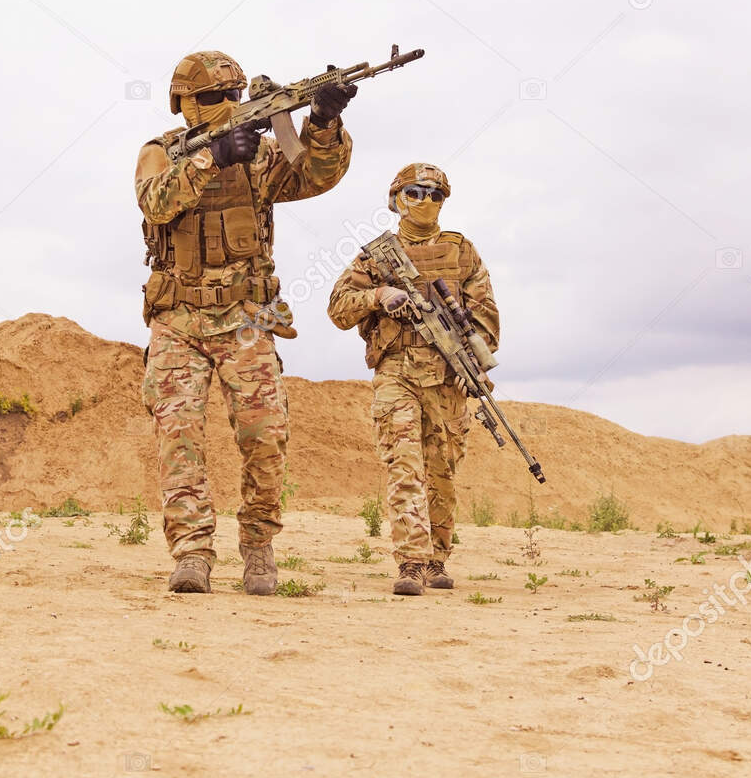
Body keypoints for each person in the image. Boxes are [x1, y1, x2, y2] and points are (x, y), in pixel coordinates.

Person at [135, 50, 356, 593]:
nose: (226, 107)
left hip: (247, 320)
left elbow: (314, 177)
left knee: (265, 435)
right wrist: (213, 158)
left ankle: (258, 545)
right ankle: (191, 552)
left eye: (233, 97)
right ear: (182, 102)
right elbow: (155, 204)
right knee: (178, 438)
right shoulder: (160, 152)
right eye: (213, 98)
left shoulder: (260, 155)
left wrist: (324, 124)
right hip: (178, 321)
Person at [327, 163, 499, 595]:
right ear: (397, 198)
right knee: (404, 467)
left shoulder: (462, 252)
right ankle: (411, 562)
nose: (425, 202)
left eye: (435, 194)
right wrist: (380, 296)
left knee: (442, 471)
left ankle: (437, 559)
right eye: (415, 193)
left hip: (447, 378)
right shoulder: (376, 256)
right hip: (396, 374)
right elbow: (339, 308)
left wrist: (474, 365)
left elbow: (485, 314)